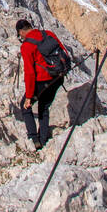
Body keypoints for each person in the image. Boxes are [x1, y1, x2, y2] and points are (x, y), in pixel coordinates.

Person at [16, 19, 72, 150]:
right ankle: (43, 140)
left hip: (42, 80)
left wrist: (29, 96)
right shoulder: (49, 34)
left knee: (25, 107)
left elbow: (29, 73)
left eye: (20, 35)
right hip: (57, 78)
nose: (21, 37)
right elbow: (64, 52)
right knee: (44, 107)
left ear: (22, 31)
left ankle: (33, 139)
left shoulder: (27, 46)